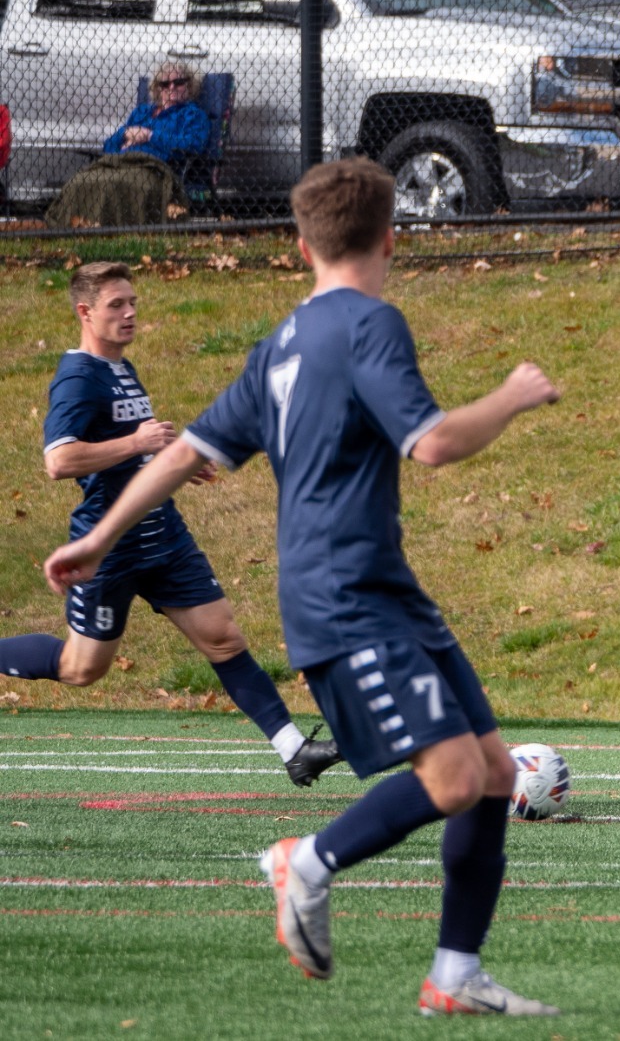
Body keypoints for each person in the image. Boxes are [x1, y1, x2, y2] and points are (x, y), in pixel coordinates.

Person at [44, 158, 562, 1016]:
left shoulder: (283, 341)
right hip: (344, 596)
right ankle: (307, 860)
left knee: (497, 772)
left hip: (387, 589)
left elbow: (184, 451)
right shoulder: (370, 323)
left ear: (300, 246)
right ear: (390, 239)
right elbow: (431, 442)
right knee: (455, 778)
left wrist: (99, 535)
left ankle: (455, 974)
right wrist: (510, 395)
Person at [0, 261, 340, 787]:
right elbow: (59, 459)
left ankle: (295, 750)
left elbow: (132, 445)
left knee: (223, 638)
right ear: (85, 312)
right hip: (108, 546)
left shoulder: (121, 369)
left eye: (133, 302)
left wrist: (168, 459)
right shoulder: (77, 377)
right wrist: (138, 443)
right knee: (81, 669)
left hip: (163, 536)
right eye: (116, 305)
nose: (130, 313)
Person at [46, 62, 210, 227]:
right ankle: (71, 228)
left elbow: (193, 145)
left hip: (155, 168)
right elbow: (108, 146)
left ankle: (104, 229)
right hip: (120, 163)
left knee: (116, 185)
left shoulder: (193, 115)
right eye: (165, 83)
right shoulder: (141, 112)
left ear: (189, 86)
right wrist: (125, 134)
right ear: (158, 88)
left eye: (178, 82)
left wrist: (149, 136)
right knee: (80, 181)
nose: (171, 87)